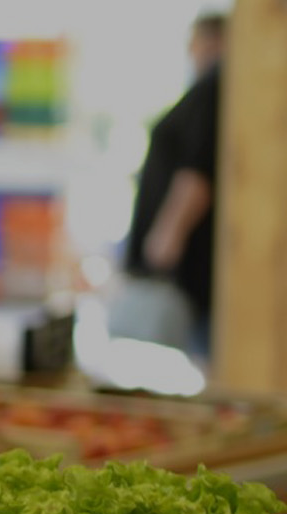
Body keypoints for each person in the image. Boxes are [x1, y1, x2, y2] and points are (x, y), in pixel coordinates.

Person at [115, 12, 224, 358]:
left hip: (190, 269)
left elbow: (198, 171)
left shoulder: (215, 86)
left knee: (201, 354)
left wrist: (167, 236)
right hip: (187, 267)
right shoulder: (210, 88)